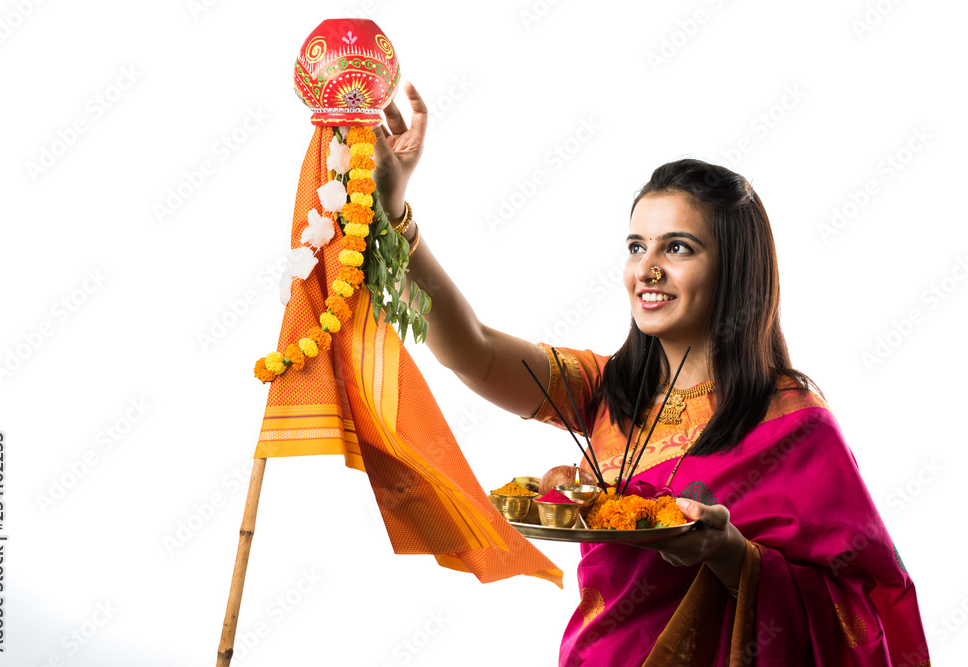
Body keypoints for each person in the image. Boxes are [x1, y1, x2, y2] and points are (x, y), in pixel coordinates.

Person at [371, 82, 930, 666]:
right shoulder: (606, 390)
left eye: (679, 248)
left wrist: (732, 554)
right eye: (637, 246)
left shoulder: (787, 416)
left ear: (735, 268)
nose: (648, 270)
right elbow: (475, 350)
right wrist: (393, 214)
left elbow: (862, 608)